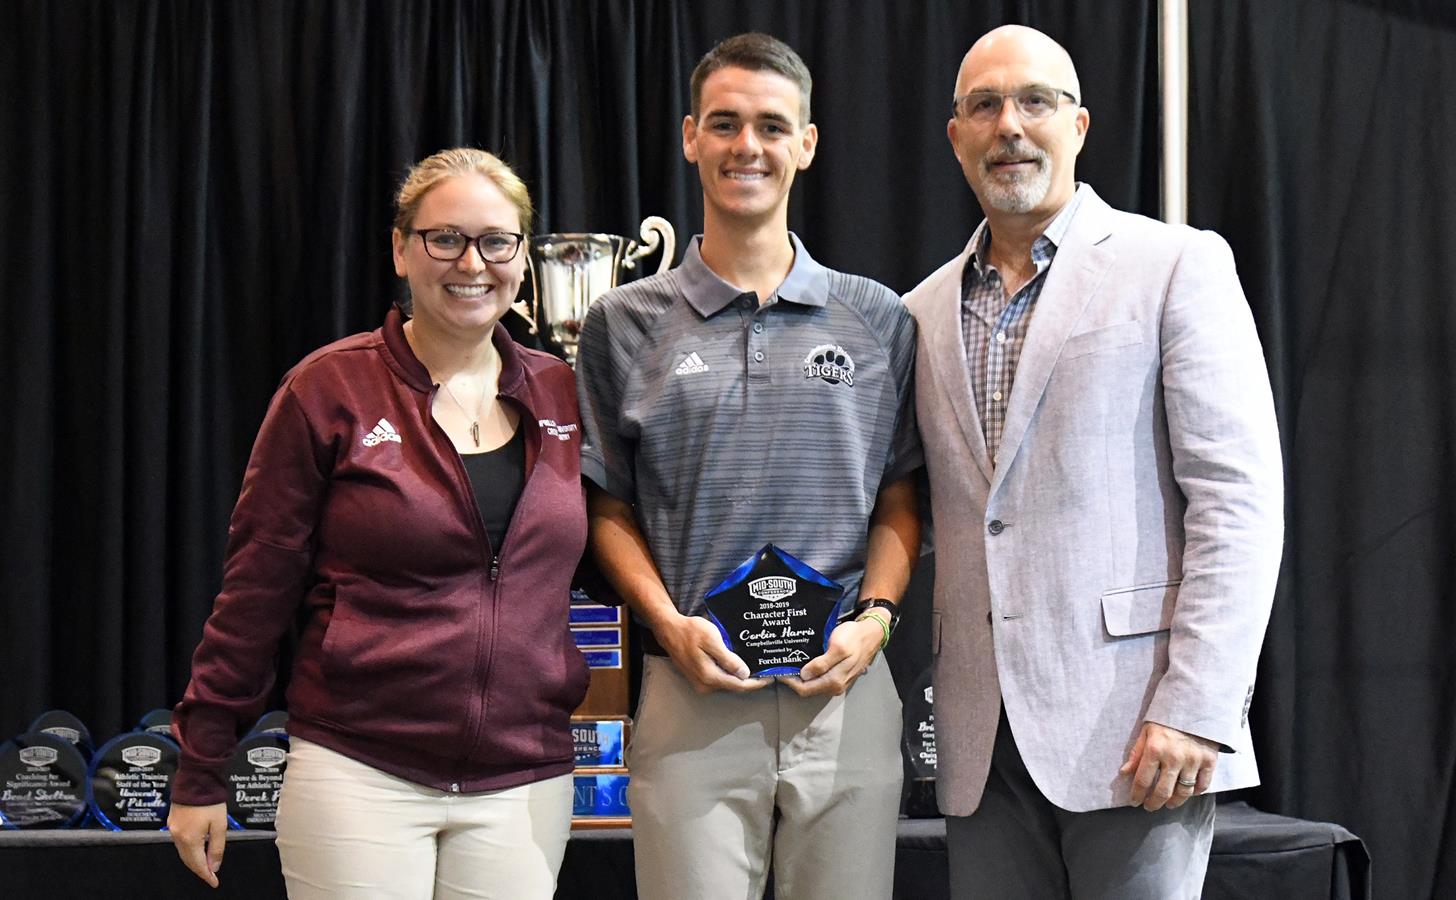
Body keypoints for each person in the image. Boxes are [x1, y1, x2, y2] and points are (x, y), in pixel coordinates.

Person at [904, 25, 1284, 899]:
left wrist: (1197, 706)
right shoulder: (916, 310)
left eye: (1035, 101)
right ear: (955, 134)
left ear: (1078, 125)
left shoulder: (1177, 264)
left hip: (1141, 734)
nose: (1010, 125)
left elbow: (1238, 503)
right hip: (979, 743)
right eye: (984, 105)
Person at [167, 148, 590, 899]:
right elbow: (255, 590)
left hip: (522, 782)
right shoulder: (329, 388)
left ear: (523, 258)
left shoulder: (562, 392)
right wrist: (202, 765)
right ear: (401, 247)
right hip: (359, 774)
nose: (473, 262)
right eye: (445, 237)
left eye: (497, 240)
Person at [577, 33, 921, 900]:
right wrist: (666, 623)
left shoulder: (877, 317)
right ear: (691, 136)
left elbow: (901, 496)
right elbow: (606, 506)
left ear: (806, 144)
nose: (748, 147)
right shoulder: (621, 323)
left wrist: (874, 622)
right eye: (725, 124)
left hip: (844, 691)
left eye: (772, 126)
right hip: (690, 689)